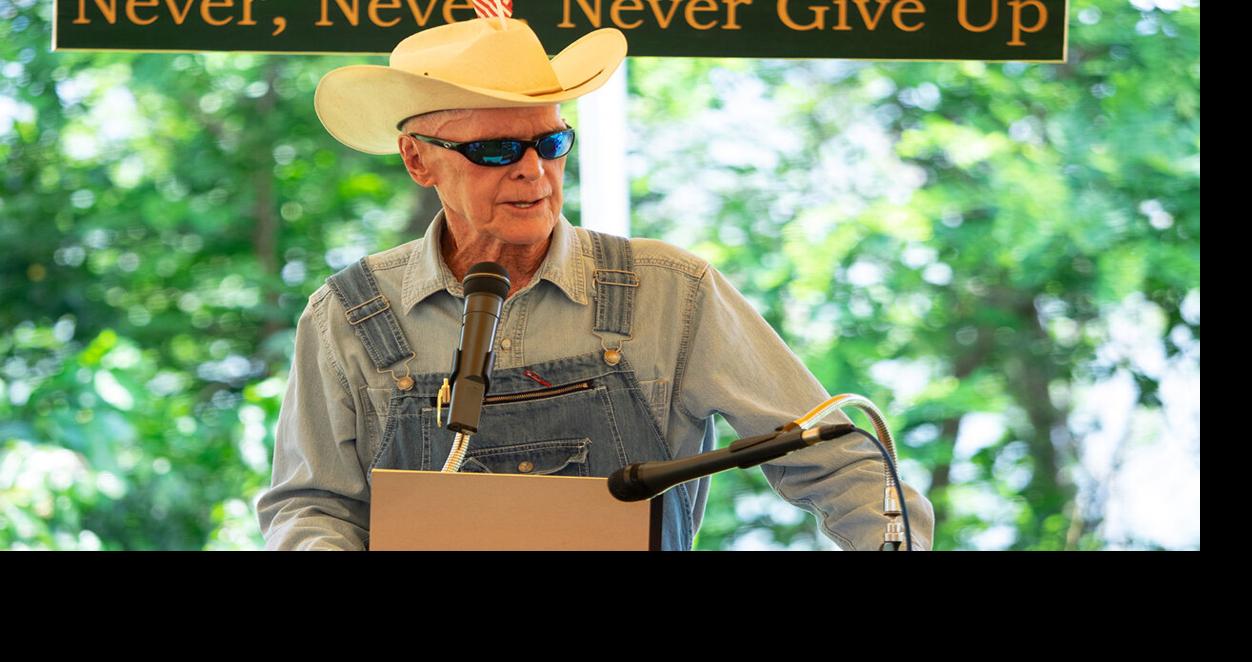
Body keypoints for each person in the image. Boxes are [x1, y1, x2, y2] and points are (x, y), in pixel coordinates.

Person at [256, 15, 935, 551]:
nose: (533, 172)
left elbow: (843, 466)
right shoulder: (348, 314)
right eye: (496, 150)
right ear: (417, 160)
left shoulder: (672, 290)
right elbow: (312, 505)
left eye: (550, 144)